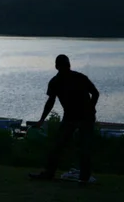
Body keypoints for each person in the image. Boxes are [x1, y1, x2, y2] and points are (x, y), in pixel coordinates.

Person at [29, 54, 100, 183]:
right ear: (59, 67)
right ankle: (50, 173)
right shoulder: (58, 81)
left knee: (82, 147)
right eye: (63, 66)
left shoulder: (78, 78)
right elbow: (50, 101)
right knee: (59, 145)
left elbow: (95, 93)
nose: (65, 69)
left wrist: (90, 109)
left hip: (85, 117)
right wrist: (41, 119)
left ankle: (83, 177)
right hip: (71, 116)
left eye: (65, 66)